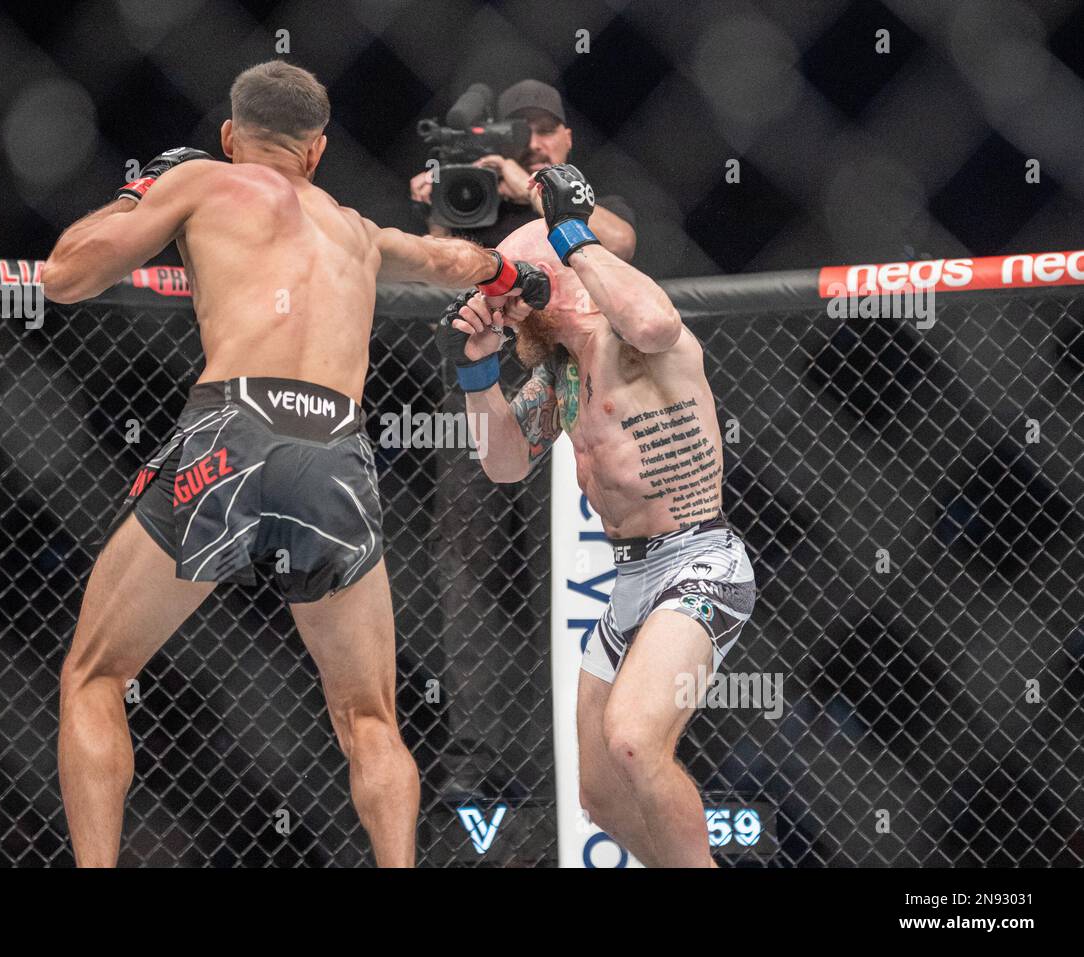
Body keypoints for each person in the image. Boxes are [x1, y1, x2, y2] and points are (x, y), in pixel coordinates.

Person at [42, 60, 549, 868]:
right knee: (370, 718)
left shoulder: (206, 181)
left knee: (95, 675)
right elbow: (447, 260)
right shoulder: (353, 228)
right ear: (316, 151)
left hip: (235, 429)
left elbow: (65, 276)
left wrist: (144, 194)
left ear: (231, 136)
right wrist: (512, 273)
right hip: (339, 447)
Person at [439, 163, 757, 866]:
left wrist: (574, 236)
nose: (508, 306)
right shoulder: (559, 375)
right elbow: (504, 462)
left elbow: (652, 317)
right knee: (601, 798)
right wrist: (479, 366)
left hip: (699, 560)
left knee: (637, 740)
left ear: (553, 277)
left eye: (514, 288)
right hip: (629, 584)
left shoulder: (632, 336)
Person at [409, 79, 636, 258]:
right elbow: (444, 292)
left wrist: (532, 190)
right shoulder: (475, 212)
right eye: (519, 134)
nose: (533, 145)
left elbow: (620, 244)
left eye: (545, 130)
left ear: (568, 139)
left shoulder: (599, 208)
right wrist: (438, 214)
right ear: (500, 142)